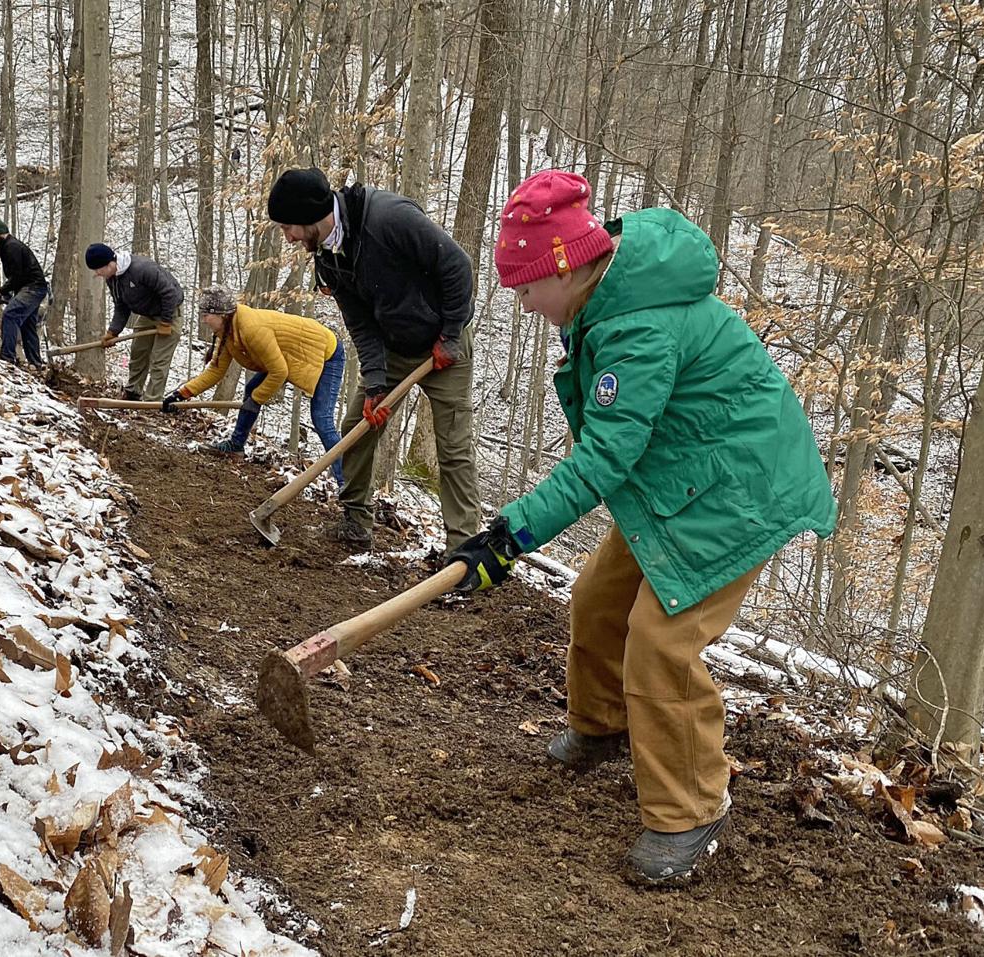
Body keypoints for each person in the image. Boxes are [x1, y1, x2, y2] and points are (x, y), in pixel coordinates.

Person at [446, 170, 836, 884]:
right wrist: (511, 535)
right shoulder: (608, 301)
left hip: (741, 488)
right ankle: (601, 725)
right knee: (597, 594)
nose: (524, 306)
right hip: (684, 480)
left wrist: (510, 534)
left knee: (661, 641)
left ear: (563, 269)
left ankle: (691, 809)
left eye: (526, 290)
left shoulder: (638, 327)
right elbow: (617, 448)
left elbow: (605, 454)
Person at [267, 167, 478, 555]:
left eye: (289, 227)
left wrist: (449, 335)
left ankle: (462, 549)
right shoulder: (328, 260)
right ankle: (356, 522)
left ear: (311, 214)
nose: (289, 237)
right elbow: (361, 324)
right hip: (393, 348)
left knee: (453, 445)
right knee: (357, 427)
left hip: (444, 343)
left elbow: (457, 267)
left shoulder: (389, 219)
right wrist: (376, 381)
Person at [162, 285, 347, 484]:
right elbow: (216, 371)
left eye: (206, 314)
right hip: (290, 355)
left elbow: (279, 371)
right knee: (252, 390)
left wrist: (257, 399)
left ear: (221, 314)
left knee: (322, 419)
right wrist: (182, 393)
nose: (203, 320)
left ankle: (346, 483)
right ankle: (236, 446)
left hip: (326, 353)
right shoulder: (228, 332)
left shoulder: (251, 329)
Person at [84, 243, 184, 401]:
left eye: (99, 269)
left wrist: (166, 322)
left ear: (110, 263)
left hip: (170, 312)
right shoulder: (112, 279)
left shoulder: (143, 269)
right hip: (147, 315)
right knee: (138, 352)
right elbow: (121, 306)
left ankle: (152, 401)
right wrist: (113, 332)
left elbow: (169, 294)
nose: (98, 273)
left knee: (159, 361)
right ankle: (133, 392)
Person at [0, 218, 46, 368]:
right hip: (33, 288)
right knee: (27, 324)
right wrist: (6, 293)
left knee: (10, 315)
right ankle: (35, 363)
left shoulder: (11, 247)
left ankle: (7, 357)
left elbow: (17, 275)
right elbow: (17, 277)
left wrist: (2, 292)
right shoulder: (11, 246)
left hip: (32, 287)